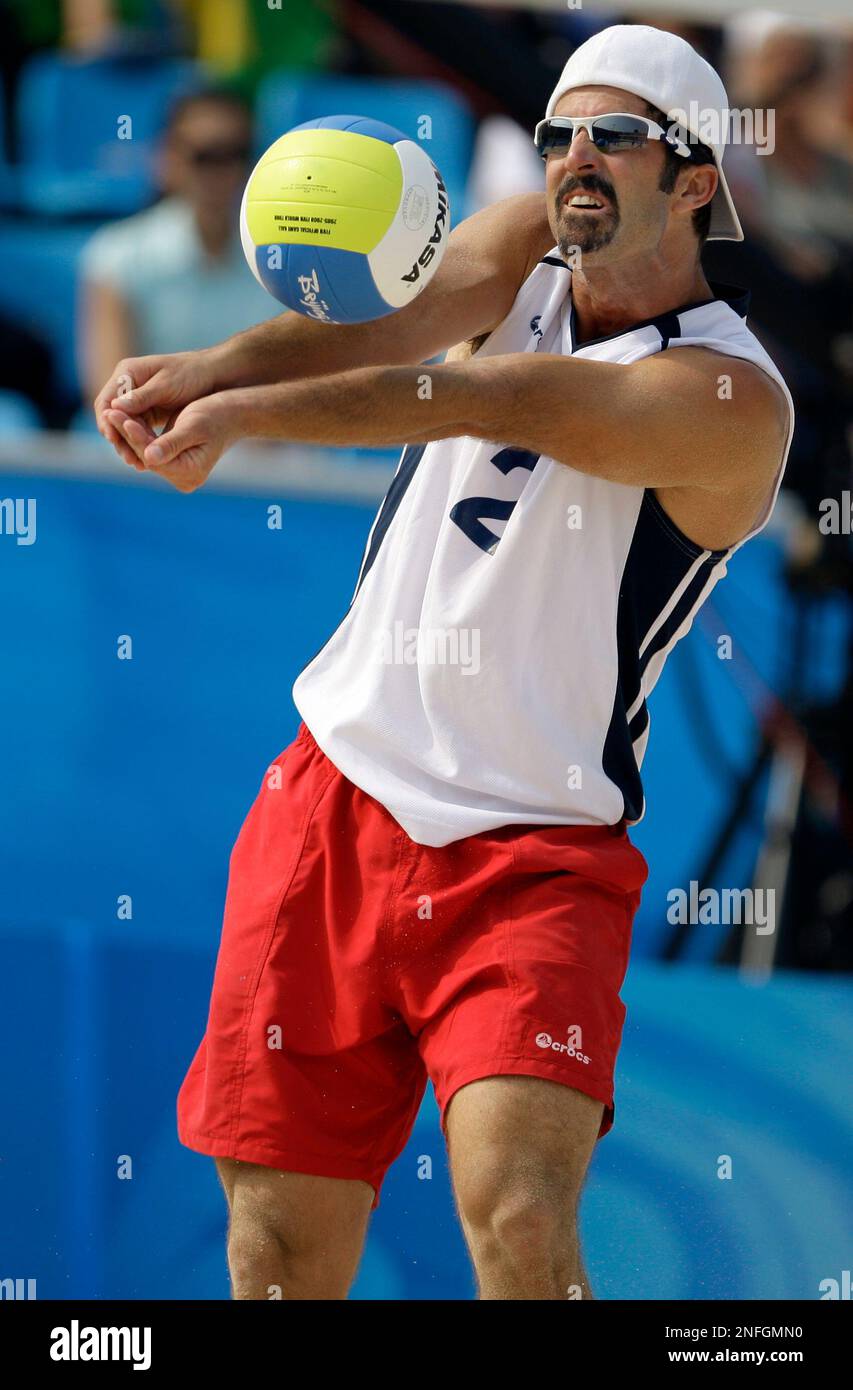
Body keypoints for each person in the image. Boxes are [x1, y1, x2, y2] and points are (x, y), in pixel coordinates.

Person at [95, 25, 794, 1300]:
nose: (574, 160)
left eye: (614, 137)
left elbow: (483, 398)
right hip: (336, 798)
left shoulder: (728, 398)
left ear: (698, 180)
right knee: (271, 1253)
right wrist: (207, 367)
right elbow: (377, 323)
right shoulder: (525, 239)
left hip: (531, 852)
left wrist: (244, 419)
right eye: (560, 134)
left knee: (520, 1220)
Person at [79, 86, 272, 405]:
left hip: (265, 445)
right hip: (151, 444)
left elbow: (298, 383)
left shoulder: (283, 259)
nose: (223, 170)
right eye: (205, 155)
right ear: (166, 159)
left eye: (237, 152)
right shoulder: (117, 254)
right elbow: (111, 393)